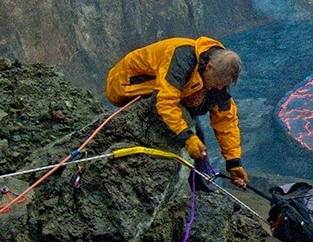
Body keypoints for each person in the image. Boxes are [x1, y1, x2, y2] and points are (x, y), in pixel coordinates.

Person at [105, 36, 249, 188]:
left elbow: (226, 121)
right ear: (210, 68)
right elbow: (165, 101)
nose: (219, 88)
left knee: (195, 130)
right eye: (219, 83)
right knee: (187, 124)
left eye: (224, 85)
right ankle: (194, 180)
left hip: (171, 91)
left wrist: (233, 162)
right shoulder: (181, 57)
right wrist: (187, 137)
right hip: (128, 85)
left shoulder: (216, 76)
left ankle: (199, 183)